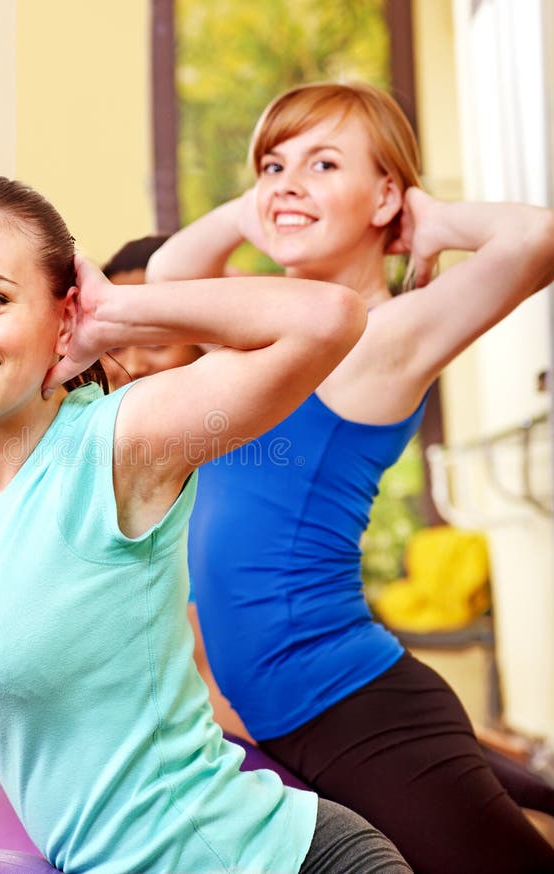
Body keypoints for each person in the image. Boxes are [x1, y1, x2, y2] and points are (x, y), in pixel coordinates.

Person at [0, 174, 415, 873]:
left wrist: (116, 311)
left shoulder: (117, 445)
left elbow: (330, 318)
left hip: (272, 861)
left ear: (62, 314)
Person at [147, 80, 554, 874]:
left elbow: (535, 239)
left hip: (351, 709)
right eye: (272, 164)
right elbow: (167, 276)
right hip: (301, 713)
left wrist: (434, 221)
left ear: (385, 199)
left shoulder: (382, 334)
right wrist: (265, 201)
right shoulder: (269, 336)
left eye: (324, 163)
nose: (287, 181)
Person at [102, 234, 252, 743]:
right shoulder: (102, 467)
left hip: (272, 739)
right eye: (118, 346)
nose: (136, 364)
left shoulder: (247, 454)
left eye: (158, 342)